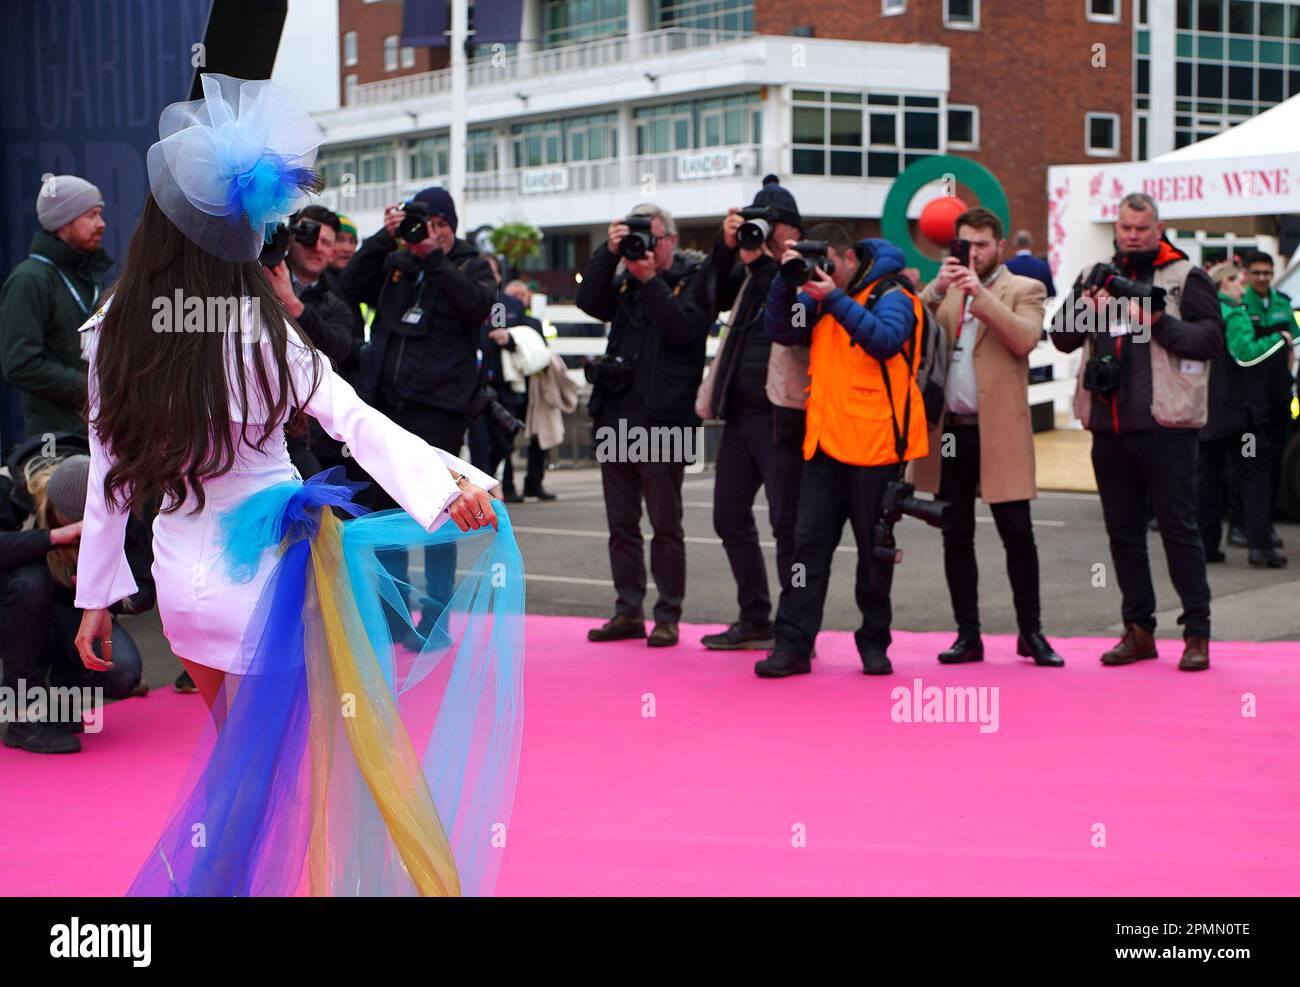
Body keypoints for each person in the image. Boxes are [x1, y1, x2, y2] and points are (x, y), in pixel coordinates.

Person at [70, 74, 522, 896]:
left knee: (241, 769)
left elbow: (106, 471)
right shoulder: (258, 331)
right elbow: (352, 418)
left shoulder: (108, 333)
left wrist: (97, 592)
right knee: (310, 781)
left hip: (184, 585)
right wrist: (450, 480)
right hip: (271, 581)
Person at [1050, 192, 1222, 672]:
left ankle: (1196, 633)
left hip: (1167, 426)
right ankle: (1138, 630)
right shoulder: (1095, 275)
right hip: (1109, 426)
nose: (1131, 235)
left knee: (1179, 531)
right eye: (1125, 227)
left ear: (1158, 228)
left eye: (1141, 228)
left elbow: (1212, 341)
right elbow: (1062, 339)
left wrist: (1160, 321)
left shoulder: (1185, 276)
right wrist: (1083, 305)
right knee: (1123, 534)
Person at [756, 225, 928, 678]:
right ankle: (792, 644)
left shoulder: (895, 294)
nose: (825, 272)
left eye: (830, 262)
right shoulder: (819, 294)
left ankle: (874, 642)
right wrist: (784, 278)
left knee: (875, 556)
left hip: (876, 449)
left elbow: (886, 341)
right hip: (825, 447)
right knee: (805, 552)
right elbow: (781, 329)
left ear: (850, 257)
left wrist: (833, 298)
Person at [336, 186, 498, 647]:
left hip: (440, 410)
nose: (429, 233)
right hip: (387, 408)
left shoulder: (468, 264)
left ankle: (436, 619)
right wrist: (381, 241)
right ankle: (392, 616)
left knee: (440, 515)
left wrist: (434, 258)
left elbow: (480, 307)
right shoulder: (394, 261)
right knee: (387, 515)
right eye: (421, 225)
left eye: (438, 226)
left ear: (450, 226)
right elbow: (347, 291)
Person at [913, 208, 1063, 666]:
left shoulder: (1024, 288)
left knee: (1017, 534)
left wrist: (979, 294)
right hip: (952, 432)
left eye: (981, 244)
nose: (972, 253)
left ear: (998, 246)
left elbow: (1023, 339)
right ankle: (967, 634)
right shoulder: (946, 288)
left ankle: (1031, 632)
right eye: (965, 244)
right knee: (955, 535)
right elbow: (911, 327)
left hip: (998, 430)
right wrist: (937, 289)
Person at [576, 203, 709, 648]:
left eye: (650, 237)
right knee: (622, 524)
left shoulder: (693, 280)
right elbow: (589, 301)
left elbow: (682, 333)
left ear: (669, 240)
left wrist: (651, 280)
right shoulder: (623, 280)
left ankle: (668, 614)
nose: (643, 246)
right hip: (617, 413)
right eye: (634, 237)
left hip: (665, 419)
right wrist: (607, 253)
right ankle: (627, 610)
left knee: (665, 524)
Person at [692, 176, 807, 652]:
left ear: (790, 231)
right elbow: (705, 299)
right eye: (756, 224)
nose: (761, 232)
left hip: (784, 418)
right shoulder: (744, 270)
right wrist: (725, 248)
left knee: (788, 528)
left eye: (770, 225)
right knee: (727, 516)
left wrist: (780, 265)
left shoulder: (802, 269)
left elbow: (800, 324)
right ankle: (755, 615)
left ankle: (796, 627)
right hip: (740, 416)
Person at [1, 446, 151, 753]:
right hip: (14, 611)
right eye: (81, 529)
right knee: (30, 582)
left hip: (70, 614)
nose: (85, 537)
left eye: (95, 529)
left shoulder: (122, 510)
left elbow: (147, 589)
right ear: (50, 504)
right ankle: (21, 715)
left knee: (121, 669)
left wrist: (106, 598)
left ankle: (51, 701)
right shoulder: (12, 490)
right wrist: (52, 538)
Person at [0, 175, 111, 438]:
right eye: (92, 215)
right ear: (63, 221)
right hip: (57, 442)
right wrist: (93, 388)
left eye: (101, 214)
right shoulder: (29, 279)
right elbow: (20, 364)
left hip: (100, 435)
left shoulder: (89, 278)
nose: (102, 224)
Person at [1198, 262, 1289, 567]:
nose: (1244, 284)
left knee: (1208, 478)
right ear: (1225, 284)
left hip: (1210, 410)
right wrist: (1279, 340)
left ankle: (1207, 544)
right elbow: (1246, 354)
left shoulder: (1204, 313)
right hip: (1242, 414)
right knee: (1254, 475)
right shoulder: (1234, 313)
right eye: (1239, 280)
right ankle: (1259, 546)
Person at [1239, 250, 1294, 552]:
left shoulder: (1283, 303)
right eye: (1256, 272)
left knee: (1273, 461)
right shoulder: (1239, 304)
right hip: (1248, 398)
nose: (1262, 278)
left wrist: (1286, 381)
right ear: (1246, 274)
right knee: (1246, 460)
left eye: (1267, 273)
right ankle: (1241, 524)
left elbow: (1291, 344)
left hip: (1277, 395)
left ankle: (1264, 524)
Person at [502, 279, 556, 501]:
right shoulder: (499, 318)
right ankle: (507, 486)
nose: (518, 300)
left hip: (533, 390)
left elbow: (544, 353)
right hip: (509, 387)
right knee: (505, 440)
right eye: (513, 295)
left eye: (522, 295)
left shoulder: (534, 322)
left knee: (538, 438)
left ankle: (535, 482)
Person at [1004, 230, 1057, 298]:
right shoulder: (1043, 266)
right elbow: (1051, 294)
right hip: (1037, 306)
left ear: (1015, 244)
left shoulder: (1007, 266)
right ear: (1030, 243)